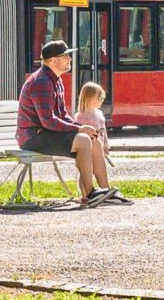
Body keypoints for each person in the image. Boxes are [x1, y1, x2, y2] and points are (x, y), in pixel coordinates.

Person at [16, 40, 123, 206]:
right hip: (33, 137)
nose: (69, 59)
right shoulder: (41, 82)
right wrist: (80, 129)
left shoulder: (55, 80)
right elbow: (48, 121)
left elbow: (62, 114)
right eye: (65, 56)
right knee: (83, 140)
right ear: (52, 61)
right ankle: (89, 194)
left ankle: (105, 191)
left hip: (45, 133)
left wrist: (84, 129)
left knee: (93, 139)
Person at [76, 81, 120, 197]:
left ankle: (102, 190)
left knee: (99, 169)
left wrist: (106, 146)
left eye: (102, 97)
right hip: (86, 149)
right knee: (86, 172)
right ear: (89, 98)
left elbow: (103, 130)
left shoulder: (99, 113)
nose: (102, 100)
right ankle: (84, 196)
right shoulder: (81, 115)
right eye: (99, 97)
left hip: (98, 147)